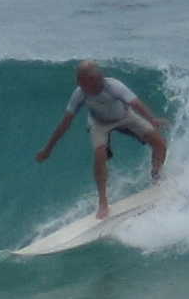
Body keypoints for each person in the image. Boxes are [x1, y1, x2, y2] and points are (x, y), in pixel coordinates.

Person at [37, 61, 168, 220]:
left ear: (96, 78)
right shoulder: (80, 93)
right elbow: (65, 123)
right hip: (99, 124)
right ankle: (103, 202)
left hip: (125, 117)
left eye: (85, 81)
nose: (81, 85)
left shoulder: (113, 86)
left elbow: (135, 103)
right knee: (100, 154)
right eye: (80, 82)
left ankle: (156, 177)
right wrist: (48, 149)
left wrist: (152, 119)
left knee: (160, 143)